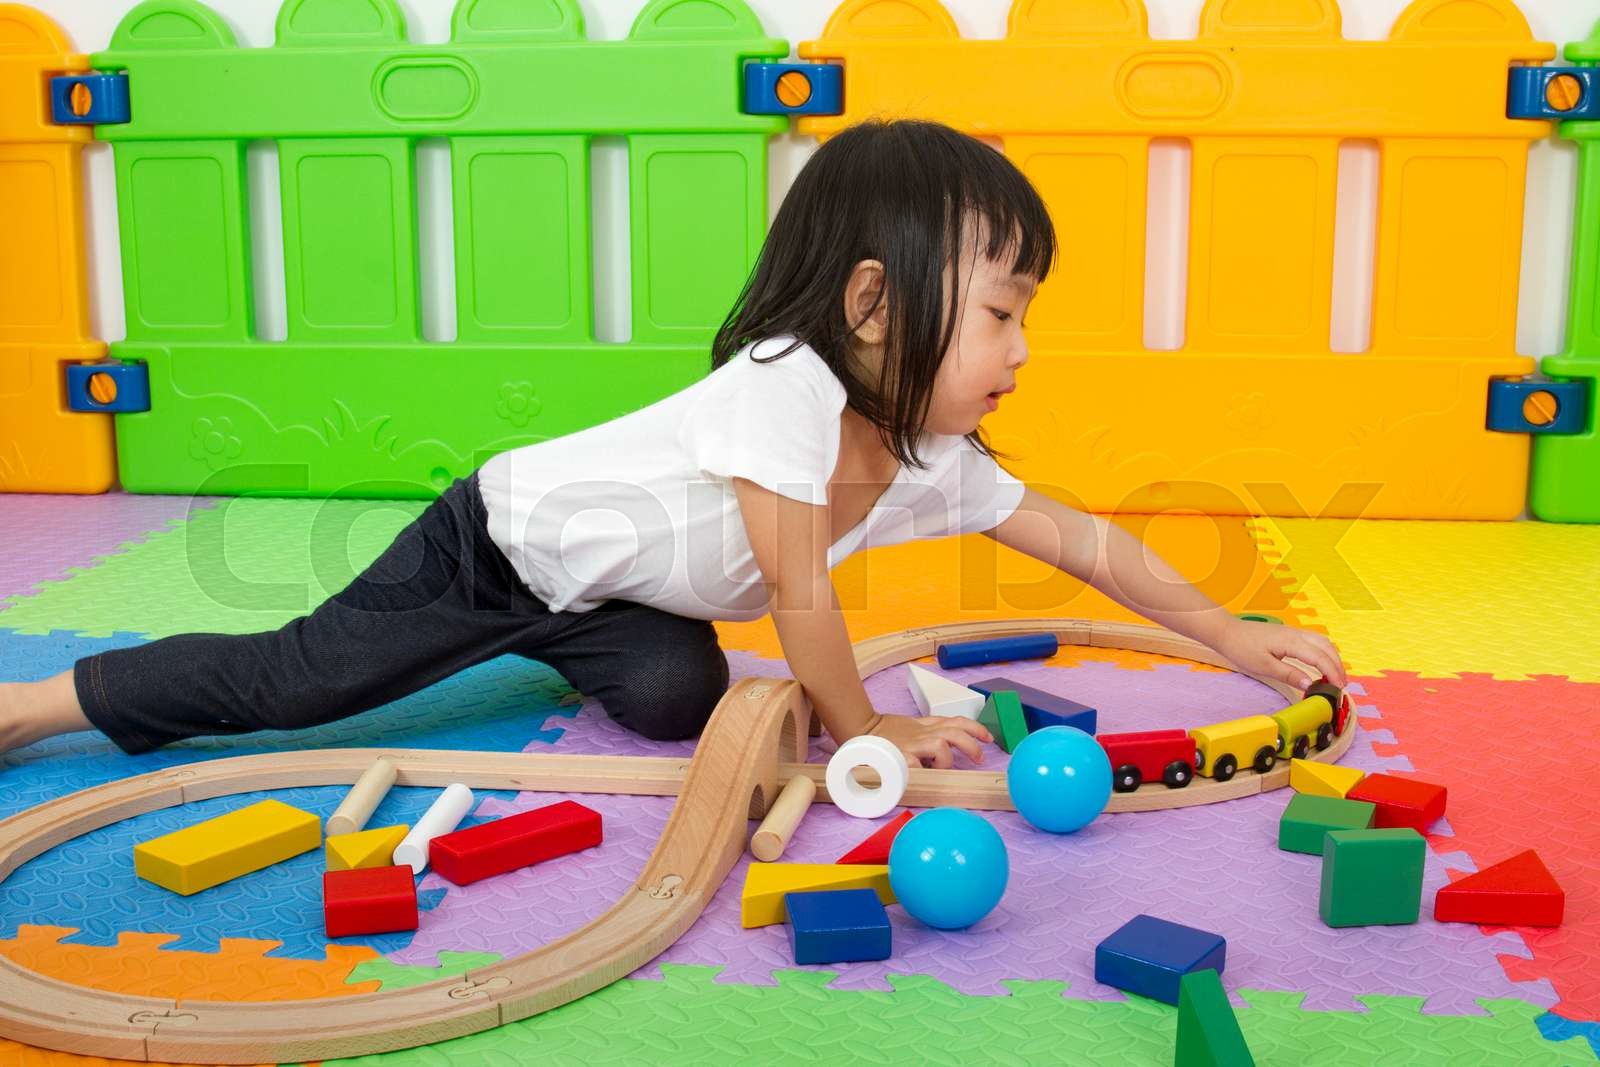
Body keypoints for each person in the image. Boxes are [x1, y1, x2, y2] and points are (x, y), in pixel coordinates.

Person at [0, 118, 1346, 769]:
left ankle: (574, 652)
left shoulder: (936, 461)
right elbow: (806, 594)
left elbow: (1087, 543)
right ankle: (30, 710)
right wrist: (869, 727)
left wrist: (1234, 639)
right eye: (1002, 312)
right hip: (499, 547)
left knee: (674, 699)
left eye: (1024, 318)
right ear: (873, 303)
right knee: (293, 686)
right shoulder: (785, 384)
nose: (1021, 351)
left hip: (618, 595)